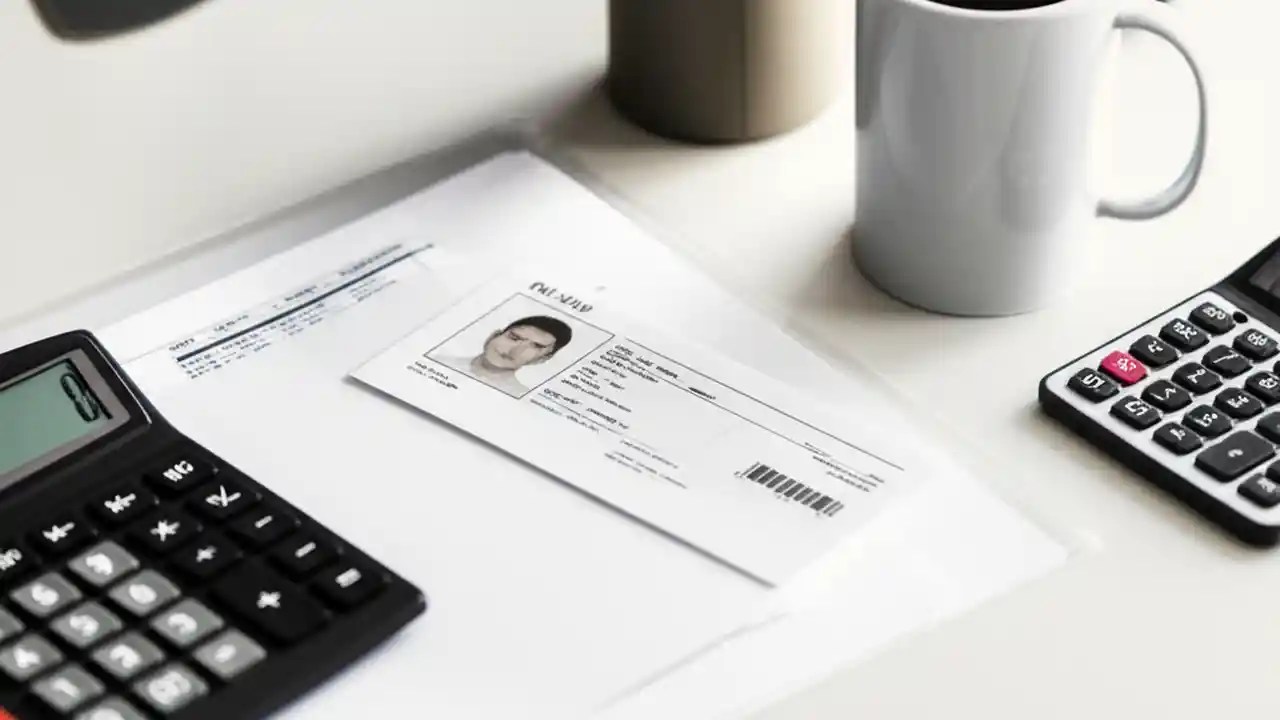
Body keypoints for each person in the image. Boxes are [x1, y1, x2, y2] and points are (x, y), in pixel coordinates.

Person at [436, 315, 574, 396]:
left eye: (536, 346)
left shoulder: (521, 398)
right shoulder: (439, 363)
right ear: (493, 336)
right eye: (514, 338)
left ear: (543, 359)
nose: (515, 349)